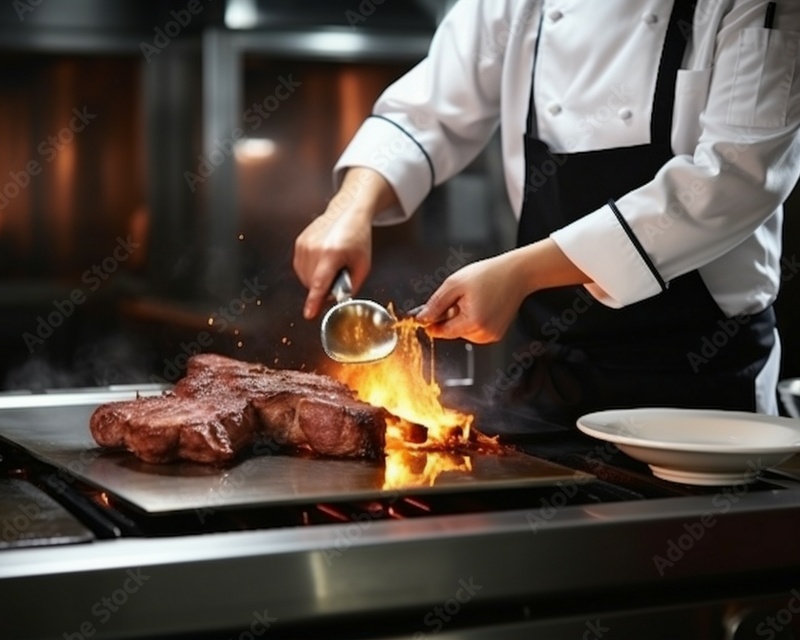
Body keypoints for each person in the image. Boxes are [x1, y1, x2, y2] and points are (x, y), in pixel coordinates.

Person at [293, 0, 800, 424]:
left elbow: (733, 177)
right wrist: (350, 207)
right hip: (549, 379)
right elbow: (429, 109)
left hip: (700, 387)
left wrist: (519, 272)